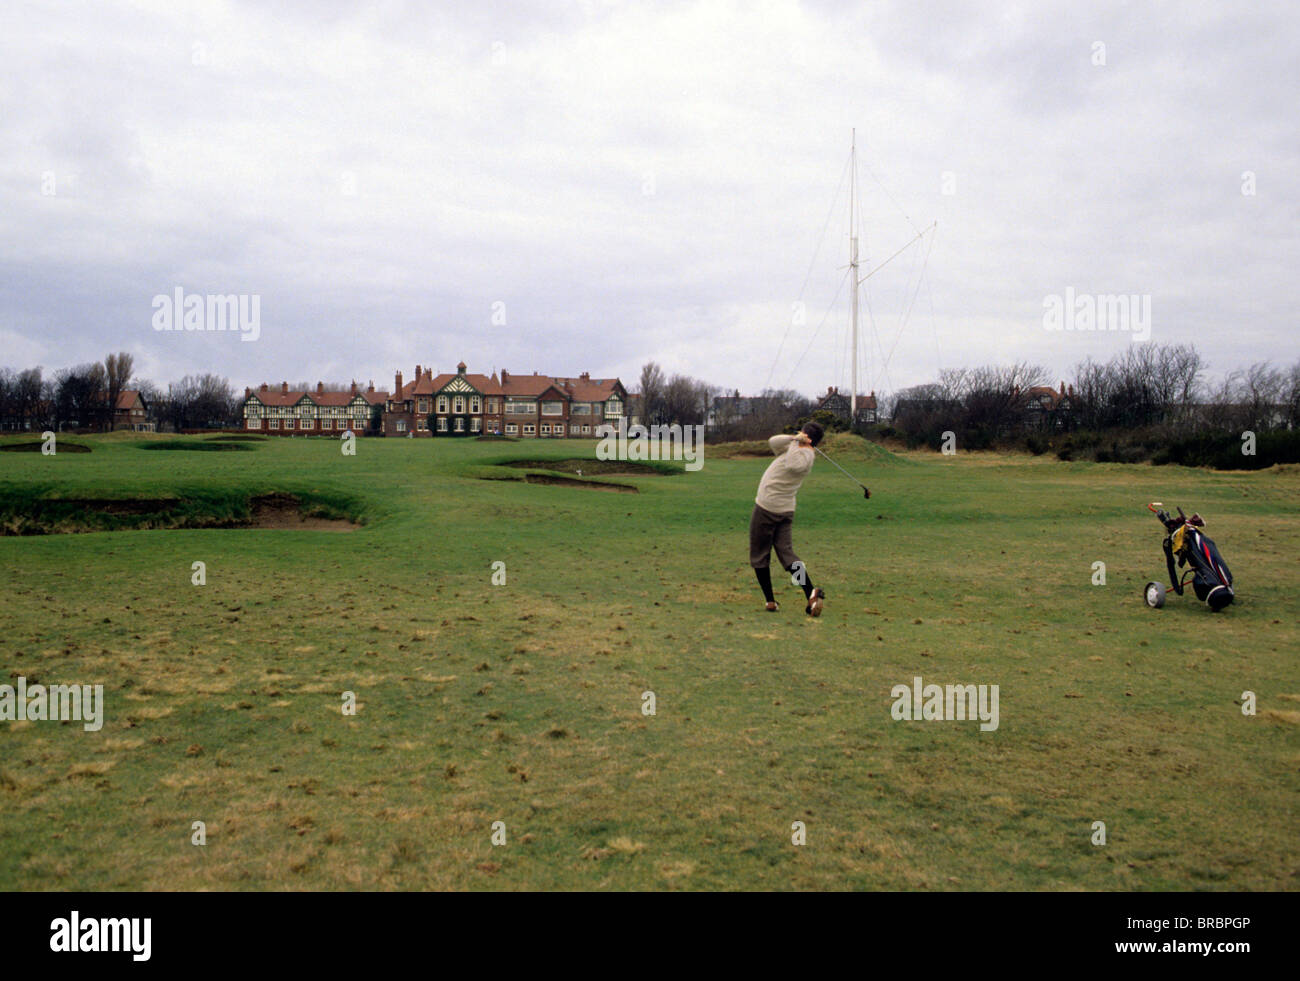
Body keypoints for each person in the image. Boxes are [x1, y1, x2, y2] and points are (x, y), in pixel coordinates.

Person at [749, 422, 825, 616]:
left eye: (802, 433)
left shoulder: (805, 455)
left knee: (759, 555)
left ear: (807, 437)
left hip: (768, 508)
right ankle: (810, 593)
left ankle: (770, 600)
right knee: (787, 554)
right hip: (784, 510)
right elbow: (773, 442)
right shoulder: (796, 447)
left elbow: (792, 464)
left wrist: (796, 444)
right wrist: (794, 439)